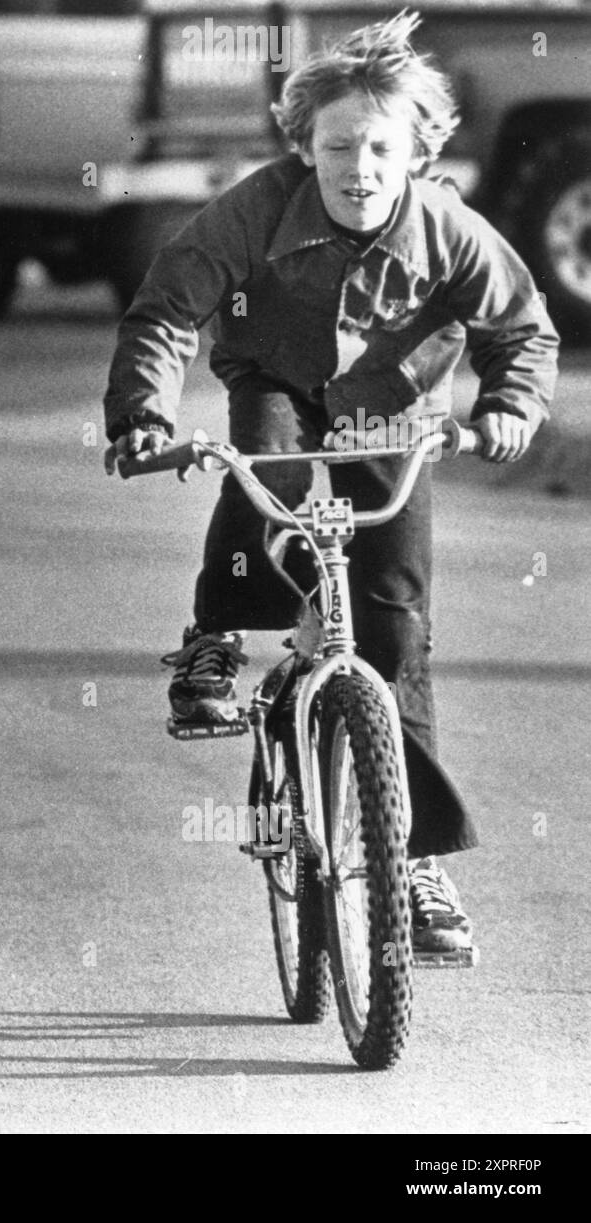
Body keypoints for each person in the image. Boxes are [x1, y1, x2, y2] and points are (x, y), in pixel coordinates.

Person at [101, 11, 557, 958]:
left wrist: (510, 410)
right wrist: (144, 415)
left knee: (396, 628)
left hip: (393, 415)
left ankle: (416, 854)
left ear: (420, 150)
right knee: (262, 468)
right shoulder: (254, 209)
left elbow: (523, 330)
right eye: (338, 145)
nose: (359, 167)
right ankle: (215, 635)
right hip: (277, 381)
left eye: (381, 148)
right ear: (302, 144)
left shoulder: (450, 229)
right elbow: (167, 310)